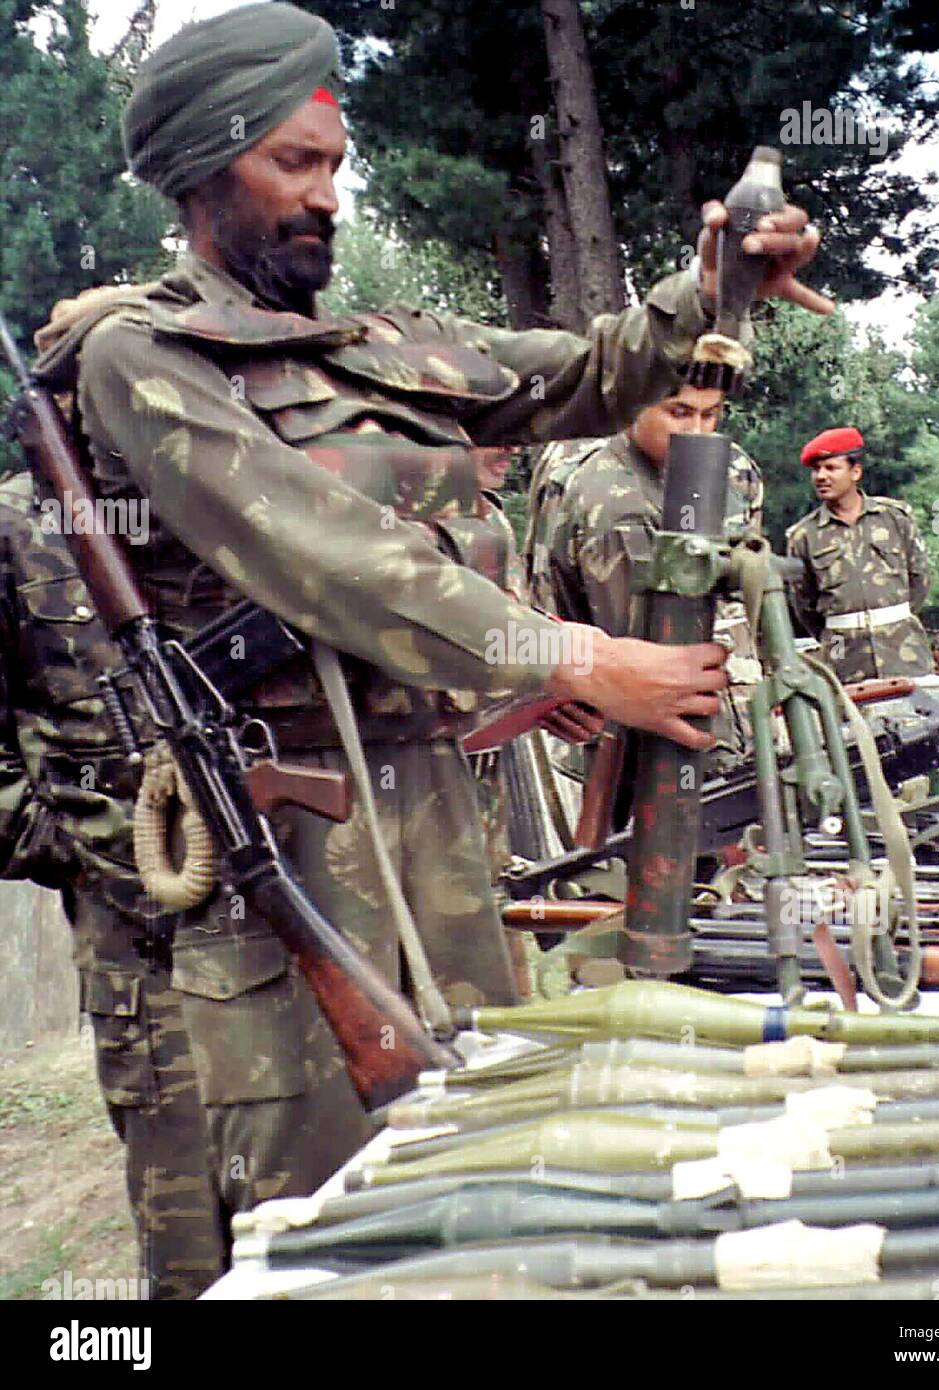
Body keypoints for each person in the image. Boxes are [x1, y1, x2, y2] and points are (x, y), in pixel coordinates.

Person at [26, 2, 828, 1223]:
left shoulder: (379, 344)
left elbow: (590, 370)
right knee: (301, 1221)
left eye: (334, 166)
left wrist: (717, 284)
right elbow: (334, 557)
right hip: (281, 847)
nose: (325, 196)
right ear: (202, 170)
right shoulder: (140, 356)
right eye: (292, 163)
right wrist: (578, 656)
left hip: (440, 830)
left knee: (476, 1182)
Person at [0, 476, 227, 1299]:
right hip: (143, 955)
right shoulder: (16, 525)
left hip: (292, 913)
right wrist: (82, 848)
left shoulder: (235, 479)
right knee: (191, 1250)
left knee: (327, 1223)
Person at [526, 383, 764, 774]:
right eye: (680, 413)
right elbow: (637, 649)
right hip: (643, 743)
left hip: (736, 721)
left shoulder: (734, 471)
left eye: (711, 414)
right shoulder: (611, 501)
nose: (698, 432)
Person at [785, 427, 932, 683]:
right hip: (844, 656)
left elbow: (919, 578)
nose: (821, 476)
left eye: (831, 468)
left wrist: (890, 619)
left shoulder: (894, 517)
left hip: (903, 650)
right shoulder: (804, 536)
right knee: (851, 720)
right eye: (816, 469)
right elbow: (804, 605)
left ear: (855, 472)